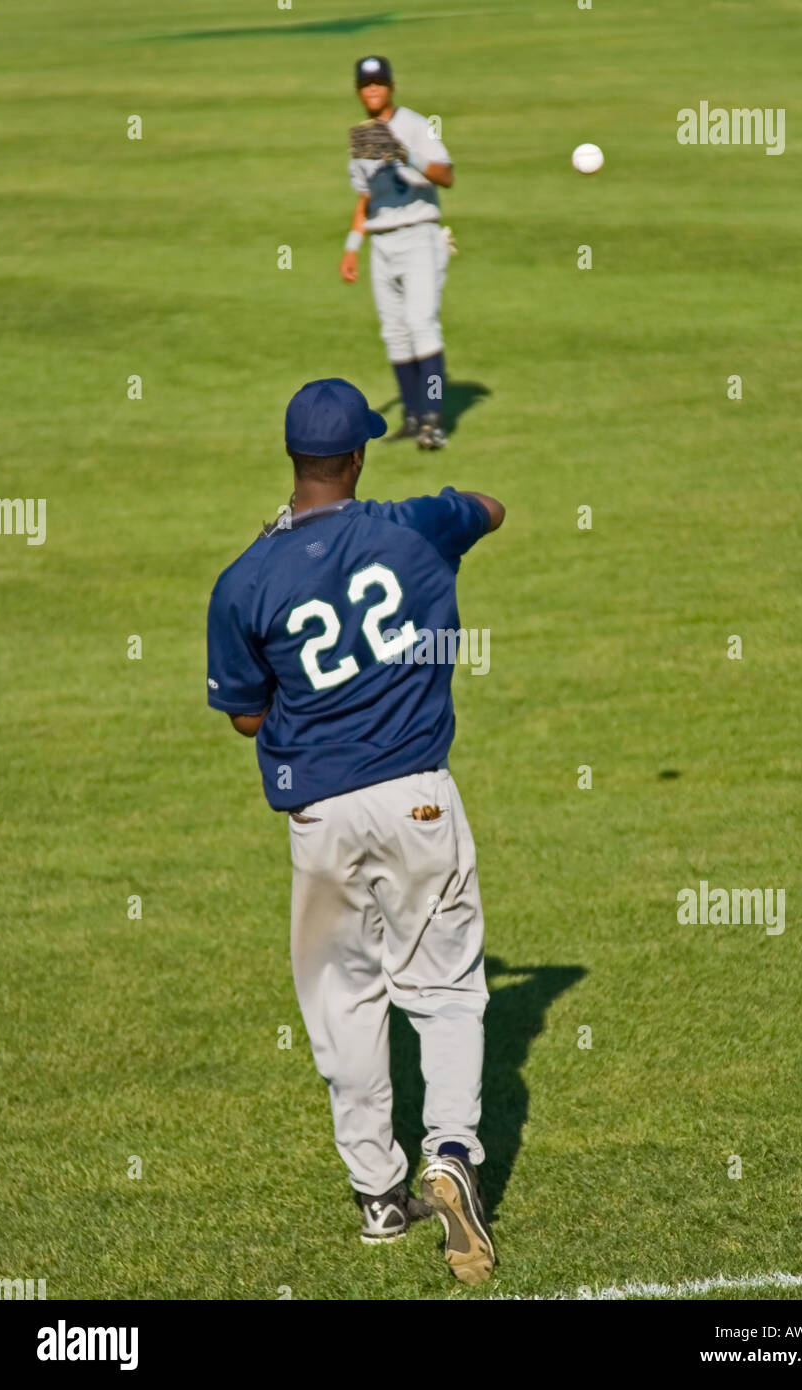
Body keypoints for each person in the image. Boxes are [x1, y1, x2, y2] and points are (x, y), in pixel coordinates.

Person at [206, 377, 505, 1285]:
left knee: (344, 1000)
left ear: (294, 460)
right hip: (418, 799)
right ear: (358, 456)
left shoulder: (245, 579)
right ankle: (449, 1152)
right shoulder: (416, 525)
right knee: (446, 988)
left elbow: (247, 720)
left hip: (322, 815)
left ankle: (378, 1196)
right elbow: (490, 506)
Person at [340, 56, 455, 450]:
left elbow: (447, 175)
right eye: (366, 85)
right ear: (359, 91)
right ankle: (411, 414)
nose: (373, 90)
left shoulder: (416, 125)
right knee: (394, 331)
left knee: (421, 323)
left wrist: (407, 155)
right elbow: (364, 198)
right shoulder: (361, 139)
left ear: (391, 87)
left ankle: (434, 420)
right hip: (381, 242)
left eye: (379, 83)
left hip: (420, 234)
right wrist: (351, 247)